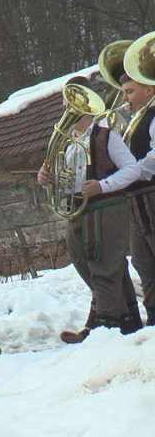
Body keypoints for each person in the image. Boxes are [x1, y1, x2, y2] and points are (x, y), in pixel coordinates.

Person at [37, 76, 141, 342]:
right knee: (87, 264)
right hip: (77, 211)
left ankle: (101, 331)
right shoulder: (64, 142)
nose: (65, 112)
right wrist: (44, 177)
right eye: (64, 106)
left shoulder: (106, 136)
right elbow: (60, 175)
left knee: (104, 267)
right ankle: (128, 324)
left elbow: (133, 170)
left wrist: (103, 185)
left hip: (106, 207)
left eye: (70, 106)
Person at [120, 72, 155, 325]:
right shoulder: (132, 122)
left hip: (151, 195)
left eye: (130, 92)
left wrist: (130, 173)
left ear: (149, 90)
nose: (124, 98)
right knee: (143, 263)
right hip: (134, 200)